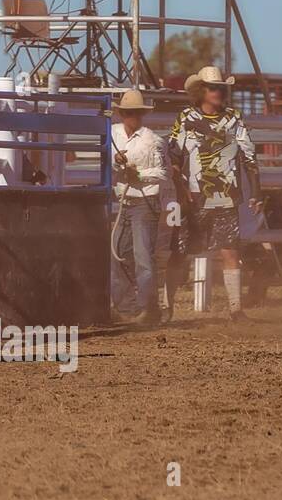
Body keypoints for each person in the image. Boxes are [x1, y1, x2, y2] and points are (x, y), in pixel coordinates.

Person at [167, 65, 263, 320]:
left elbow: (250, 156)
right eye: (213, 88)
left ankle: (235, 308)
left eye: (220, 88)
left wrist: (256, 193)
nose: (218, 92)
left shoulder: (234, 118)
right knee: (180, 250)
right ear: (202, 91)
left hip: (226, 195)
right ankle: (167, 305)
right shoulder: (186, 118)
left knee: (230, 250)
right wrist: (181, 188)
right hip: (194, 196)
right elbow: (174, 158)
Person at [110, 89, 167, 324]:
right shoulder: (112, 134)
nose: (130, 117)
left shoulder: (152, 140)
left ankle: (146, 308)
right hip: (124, 200)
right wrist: (117, 164)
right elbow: (108, 162)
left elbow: (163, 173)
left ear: (140, 115)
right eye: (127, 113)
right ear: (122, 114)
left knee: (142, 256)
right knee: (119, 255)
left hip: (144, 201)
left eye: (134, 113)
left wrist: (138, 173)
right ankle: (127, 308)